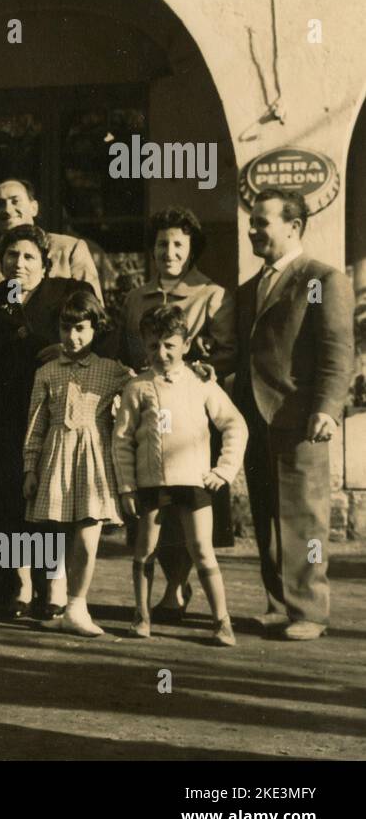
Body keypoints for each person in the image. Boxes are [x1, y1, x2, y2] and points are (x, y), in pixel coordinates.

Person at [211, 188, 354, 641]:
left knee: (305, 517)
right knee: (268, 513)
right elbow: (237, 354)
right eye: (251, 223)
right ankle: (279, 602)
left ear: (293, 227)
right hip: (254, 417)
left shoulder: (320, 280)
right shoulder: (250, 288)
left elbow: (336, 351)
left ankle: (310, 610)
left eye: (261, 222)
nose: (252, 230)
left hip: (301, 419)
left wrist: (327, 409)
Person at [0, 225, 100, 620]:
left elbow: (97, 330)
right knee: (2, 502)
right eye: (11, 256)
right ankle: (9, 586)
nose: (18, 264)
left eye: (27, 257)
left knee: (45, 503)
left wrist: (69, 347)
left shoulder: (65, 294)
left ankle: (48, 590)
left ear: (45, 262)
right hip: (3, 415)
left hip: (52, 417)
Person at [118, 207, 229, 623]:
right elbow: (126, 349)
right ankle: (167, 591)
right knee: (153, 508)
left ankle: (177, 589)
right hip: (147, 406)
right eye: (162, 243)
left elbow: (225, 350)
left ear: (191, 249)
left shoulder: (212, 295)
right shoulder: (134, 298)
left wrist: (203, 367)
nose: (169, 251)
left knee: (190, 514)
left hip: (189, 413)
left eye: (178, 244)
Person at [113, 304, 247, 646]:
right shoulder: (137, 388)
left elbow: (235, 425)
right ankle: (141, 617)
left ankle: (222, 622)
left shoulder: (201, 383)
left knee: (202, 549)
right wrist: (127, 487)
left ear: (186, 344)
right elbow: (122, 441)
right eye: (154, 344)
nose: (162, 352)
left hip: (194, 481)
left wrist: (224, 470)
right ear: (144, 345)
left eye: (170, 345)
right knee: (145, 550)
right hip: (152, 484)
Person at [23, 290, 131, 636]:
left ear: (95, 329)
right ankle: (57, 598)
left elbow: (146, 386)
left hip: (93, 461)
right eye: (66, 329)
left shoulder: (112, 371)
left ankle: (78, 605)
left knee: (87, 535)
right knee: (54, 535)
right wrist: (29, 468)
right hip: (55, 457)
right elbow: (36, 424)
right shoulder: (46, 372)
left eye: (81, 329)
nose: (73, 337)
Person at [0, 179, 103, 301]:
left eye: (15, 201)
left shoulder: (69, 249)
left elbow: (92, 310)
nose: (7, 210)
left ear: (34, 208)